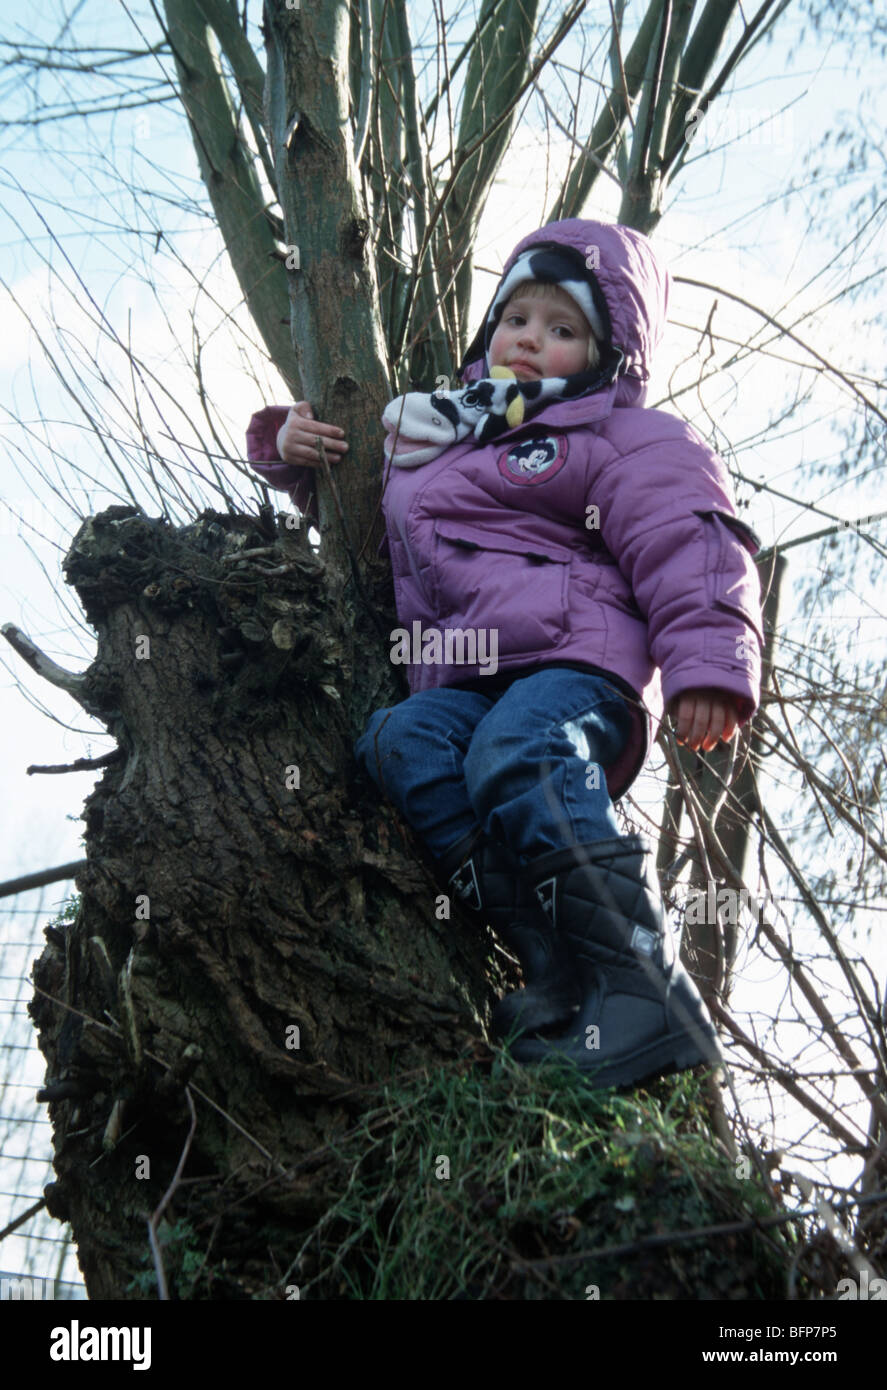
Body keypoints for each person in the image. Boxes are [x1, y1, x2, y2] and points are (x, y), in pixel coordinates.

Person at [245, 218, 765, 1090]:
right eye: (516, 318)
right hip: (466, 676)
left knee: (517, 752)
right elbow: (352, 499)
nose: (531, 339)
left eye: (563, 329)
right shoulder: (438, 434)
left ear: (607, 356)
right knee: (398, 742)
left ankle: (644, 986)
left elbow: (692, 542)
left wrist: (706, 666)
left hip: (573, 666)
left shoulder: (619, 437)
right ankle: (554, 961)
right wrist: (287, 448)